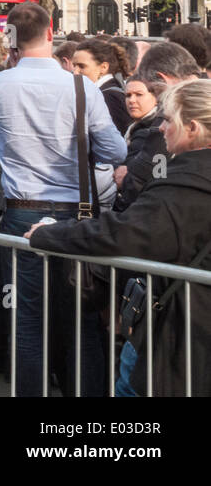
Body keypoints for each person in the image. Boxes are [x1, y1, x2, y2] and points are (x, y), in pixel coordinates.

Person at [29, 78, 211, 397]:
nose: (161, 128)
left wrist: (48, 234)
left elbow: (124, 233)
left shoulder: (184, 183)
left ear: (193, 128)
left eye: (169, 119)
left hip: (181, 332)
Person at [0, 1, 126, 396]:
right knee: (80, 320)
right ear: (51, 34)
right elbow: (115, 151)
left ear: (10, 39)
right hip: (75, 213)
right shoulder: (80, 86)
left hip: (20, 212)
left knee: (27, 321)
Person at [115, 78, 166, 212]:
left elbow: (126, 175)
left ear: (155, 98)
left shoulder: (150, 131)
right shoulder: (135, 127)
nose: (131, 100)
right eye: (128, 95)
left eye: (139, 94)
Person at [71, 37, 131, 133]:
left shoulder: (110, 97)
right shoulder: (105, 93)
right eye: (74, 66)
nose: (75, 72)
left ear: (103, 67)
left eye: (82, 66)